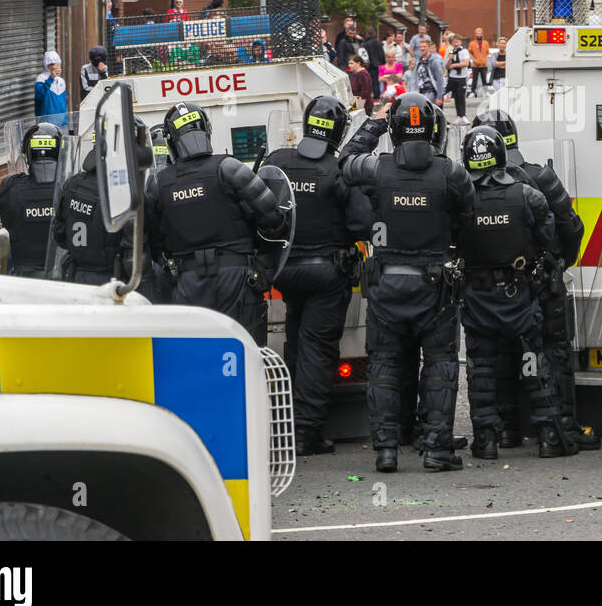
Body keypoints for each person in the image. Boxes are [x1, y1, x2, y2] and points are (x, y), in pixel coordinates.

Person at [340, 94, 476, 472]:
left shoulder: (375, 169)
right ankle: (435, 449)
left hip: (386, 286)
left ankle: (386, 449)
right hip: (435, 287)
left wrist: (374, 124)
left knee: (384, 365)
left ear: (396, 130)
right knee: (440, 366)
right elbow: (467, 217)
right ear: (434, 129)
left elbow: (342, 162)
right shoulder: (451, 172)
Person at [473, 110, 595, 452]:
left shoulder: (469, 188)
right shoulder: (540, 176)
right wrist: (555, 264)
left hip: (494, 291)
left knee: (495, 359)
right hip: (543, 284)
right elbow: (572, 226)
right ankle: (559, 429)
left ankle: (507, 431)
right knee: (550, 356)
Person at [260, 96, 365, 457]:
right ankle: (306, 432)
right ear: (337, 131)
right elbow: (362, 223)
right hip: (326, 273)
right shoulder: (337, 170)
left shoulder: (277, 160)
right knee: (317, 351)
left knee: (295, 344)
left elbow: (259, 208)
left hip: (284, 272)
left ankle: (283, 427)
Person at [145, 102, 287, 345]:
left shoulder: (158, 184)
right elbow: (272, 215)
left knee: (196, 353)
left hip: (188, 282)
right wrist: (264, 253)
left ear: (171, 140)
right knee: (245, 349)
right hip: (237, 276)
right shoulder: (228, 167)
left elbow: (151, 238)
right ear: (206, 131)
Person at [0, 122, 64, 279]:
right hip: (63, 275)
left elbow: (7, 219)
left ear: (27, 153)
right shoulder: (70, 188)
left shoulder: (11, 188)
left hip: (25, 277)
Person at [51, 144, 125, 284]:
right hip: (110, 280)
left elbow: (59, 235)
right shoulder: (121, 192)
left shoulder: (72, 184)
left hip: (74, 275)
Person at [34, 51, 69, 126]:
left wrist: (65, 121)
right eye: (52, 64)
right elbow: (39, 96)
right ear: (47, 65)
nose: (55, 67)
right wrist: (50, 79)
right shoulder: (41, 79)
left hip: (62, 124)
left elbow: (63, 104)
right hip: (46, 125)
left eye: (57, 64)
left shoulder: (61, 81)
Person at [443, 33, 471, 123]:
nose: (456, 44)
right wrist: (450, 59)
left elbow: (466, 63)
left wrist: (454, 65)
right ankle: (458, 115)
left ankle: (463, 115)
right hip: (452, 77)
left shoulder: (464, 51)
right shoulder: (451, 52)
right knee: (455, 96)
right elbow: (447, 66)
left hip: (461, 77)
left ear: (460, 42)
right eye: (454, 42)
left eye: (457, 42)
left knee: (461, 97)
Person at [414, 36, 445, 102]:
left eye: (424, 47)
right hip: (419, 92)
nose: (422, 48)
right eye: (420, 47)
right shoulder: (418, 61)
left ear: (428, 47)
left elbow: (440, 79)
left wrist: (439, 96)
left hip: (430, 92)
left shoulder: (434, 61)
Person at [363, 27, 386, 100]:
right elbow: (382, 54)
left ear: (367, 34)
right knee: (379, 82)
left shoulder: (366, 44)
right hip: (380, 65)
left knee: (373, 82)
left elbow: (366, 56)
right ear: (375, 33)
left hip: (371, 66)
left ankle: (375, 97)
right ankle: (379, 96)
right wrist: (383, 63)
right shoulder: (379, 43)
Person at [468, 28, 490, 97]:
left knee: (484, 79)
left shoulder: (486, 43)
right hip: (475, 65)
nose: (479, 35)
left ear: (482, 34)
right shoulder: (472, 43)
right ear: (475, 34)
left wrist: (484, 59)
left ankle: (485, 92)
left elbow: (487, 53)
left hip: (484, 65)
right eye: (477, 33)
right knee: (474, 79)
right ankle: (472, 92)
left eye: (480, 33)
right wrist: (474, 60)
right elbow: (470, 53)